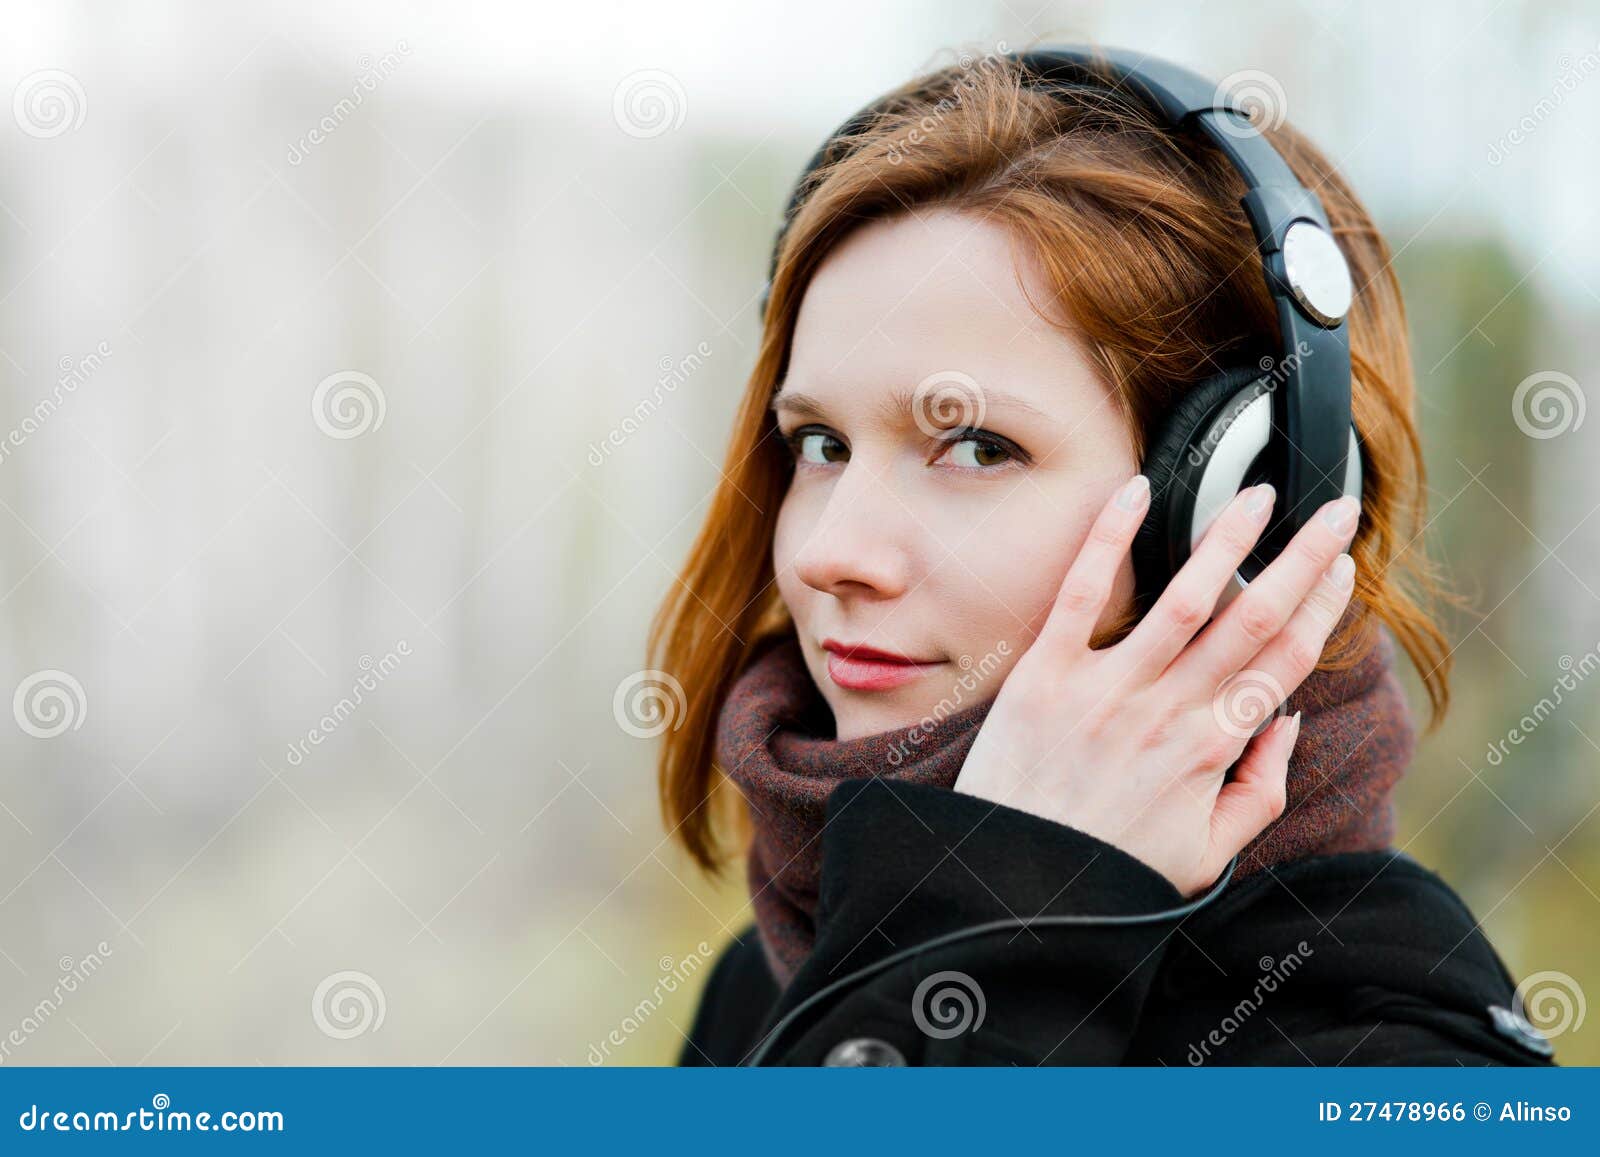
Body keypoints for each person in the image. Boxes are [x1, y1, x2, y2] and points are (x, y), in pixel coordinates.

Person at [646, 46, 1558, 1067]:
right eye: (819, 443)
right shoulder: (771, 979)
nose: (830, 551)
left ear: (1242, 510)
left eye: (979, 447)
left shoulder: (1386, 1060)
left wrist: (1009, 911)